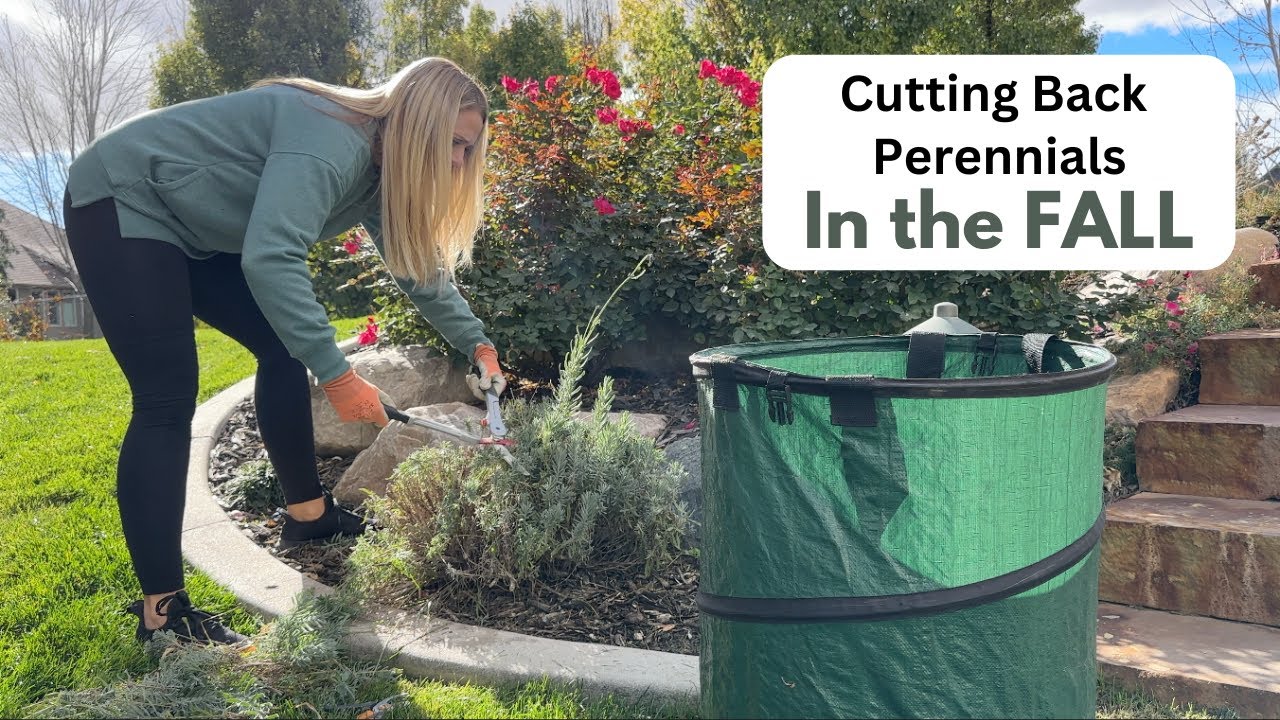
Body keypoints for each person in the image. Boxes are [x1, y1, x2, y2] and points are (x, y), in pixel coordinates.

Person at [63, 57, 507, 645]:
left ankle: (308, 517)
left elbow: (418, 269)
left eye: (467, 150)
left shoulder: (384, 169)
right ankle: (162, 614)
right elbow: (272, 257)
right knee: (166, 397)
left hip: (195, 223)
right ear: (417, 123)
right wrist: (339, 376)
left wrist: (476, 342)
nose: (458, 161)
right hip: (126, 197)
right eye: (452, 142)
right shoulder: (333, 140)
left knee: (280, 347)